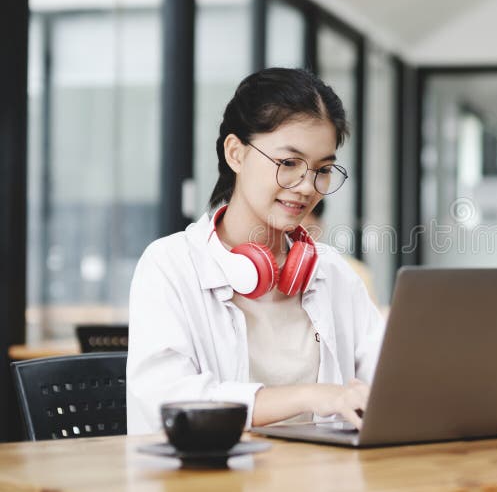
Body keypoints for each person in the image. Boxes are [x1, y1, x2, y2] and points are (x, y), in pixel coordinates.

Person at [126, 68, 385, 434]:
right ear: (236, 153)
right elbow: (169, 402)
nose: (306, 186)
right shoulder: (170, 265)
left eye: (322, 169)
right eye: (289, 163)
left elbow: (390, 380)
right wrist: (312, 397)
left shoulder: (333, 273)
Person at [302, 199, 380, 306]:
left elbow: (372, 318)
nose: (299, 242)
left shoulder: (354, 271)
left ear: (320, 228)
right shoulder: (274, 274)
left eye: (308, 231)